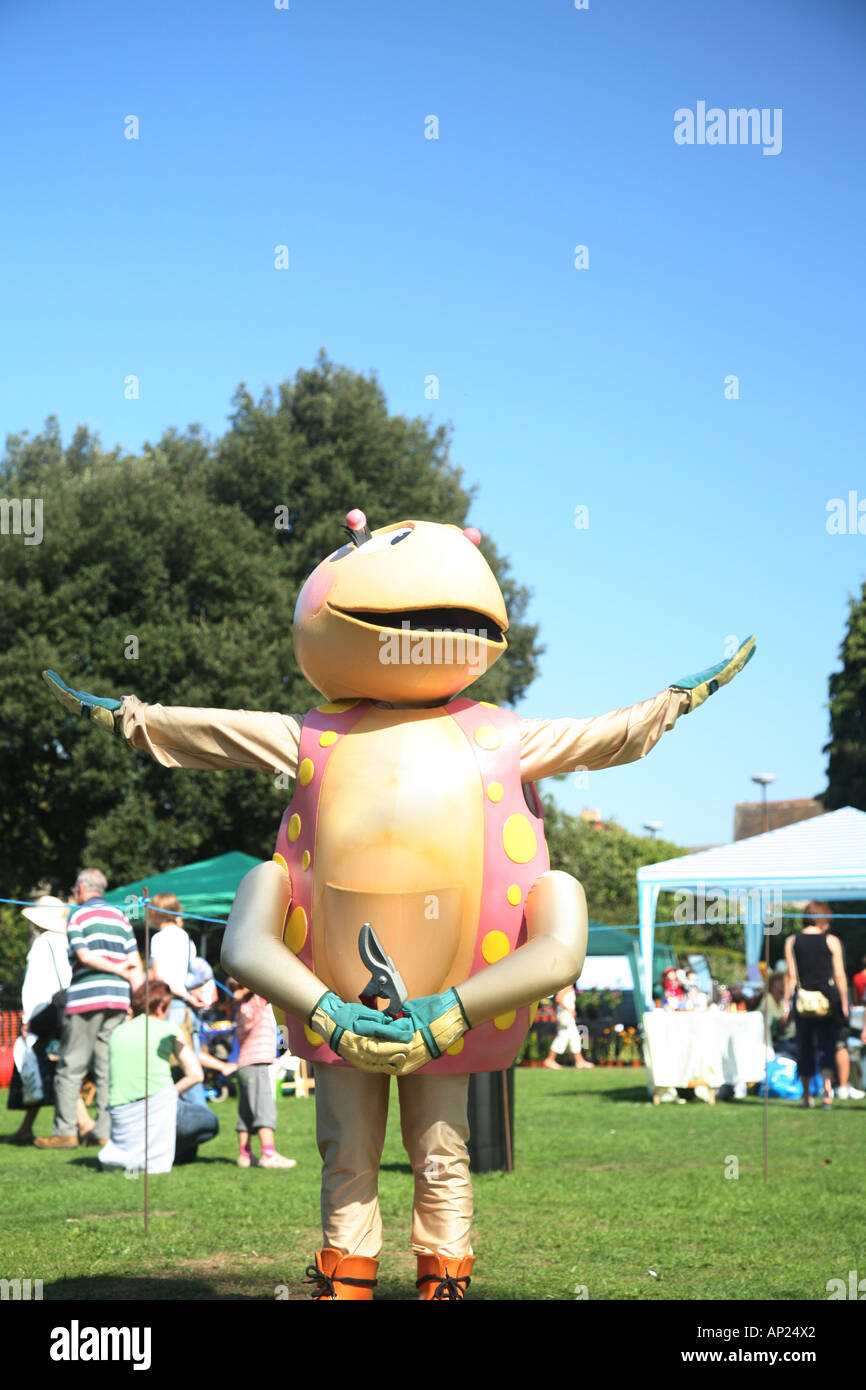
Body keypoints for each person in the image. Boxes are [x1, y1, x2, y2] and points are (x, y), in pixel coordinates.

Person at [35, 869, 143, 1149]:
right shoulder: (121, 917)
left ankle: (66, 1132)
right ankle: (104, 1133)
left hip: (85, 999)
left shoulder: (78, 915)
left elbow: (84, 956)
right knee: (108, 1070)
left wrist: (115, 967)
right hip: (118, 999)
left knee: (71, 1066)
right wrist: (136, 998)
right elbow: (135, 962)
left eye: (75, 889)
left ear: (82, 889)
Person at [5, 896, 91, 1143]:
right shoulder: (68, 941)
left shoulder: (41, 944)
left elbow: (35, 985)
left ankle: (84, 1124)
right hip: (66, 1010)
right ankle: (27, 1127)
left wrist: (28, 1019)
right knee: (54, 1066)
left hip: (44, 1014)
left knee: (51, 1067)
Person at [99, 981, 205, 1173]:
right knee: (208, 1121)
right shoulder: (168, 1029)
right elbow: (196, 1074)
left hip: (120, 1113)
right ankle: (175, 1151)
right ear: (160, 1006)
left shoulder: (117, 1032)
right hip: (156, 1106)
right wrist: (171, 1093)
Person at [783, 902, 848, 1109]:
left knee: (804, 1046)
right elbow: (839, 975)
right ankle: (827, 1092)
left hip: (803, 1001)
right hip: (828, 1000)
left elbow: (791, 977)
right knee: (828, 1046)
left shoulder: (792, 941)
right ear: (823, 919)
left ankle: (806, 1096)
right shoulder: (831, 941)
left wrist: (786, 1004)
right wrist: (845, 1002)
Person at [229, 980, 295, 1169]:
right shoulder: (256, 1003)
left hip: (243, 1065)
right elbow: (258, 978)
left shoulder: (240, 1009)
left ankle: (245, 1155)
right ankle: (269, 1154)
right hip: (256, 1064)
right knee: (264, 1109)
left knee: (246, 1112)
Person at [147, 894, 197, 1031]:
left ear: (155, 912)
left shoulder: (158, 938)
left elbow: (159, 978)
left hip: (169, 1004)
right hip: (188, 1005)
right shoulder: (186, 937)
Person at [542, 985, 593, 1069]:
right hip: (566, 1015)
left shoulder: (562, 986)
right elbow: (559, 998)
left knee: (572, 1037)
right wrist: (569, 1010)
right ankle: (550, 1060)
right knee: (566, 1037)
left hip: (564, 1015)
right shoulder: (568, 985)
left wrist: (556, 1014)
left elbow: (556, 1001)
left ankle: (579, 1061)